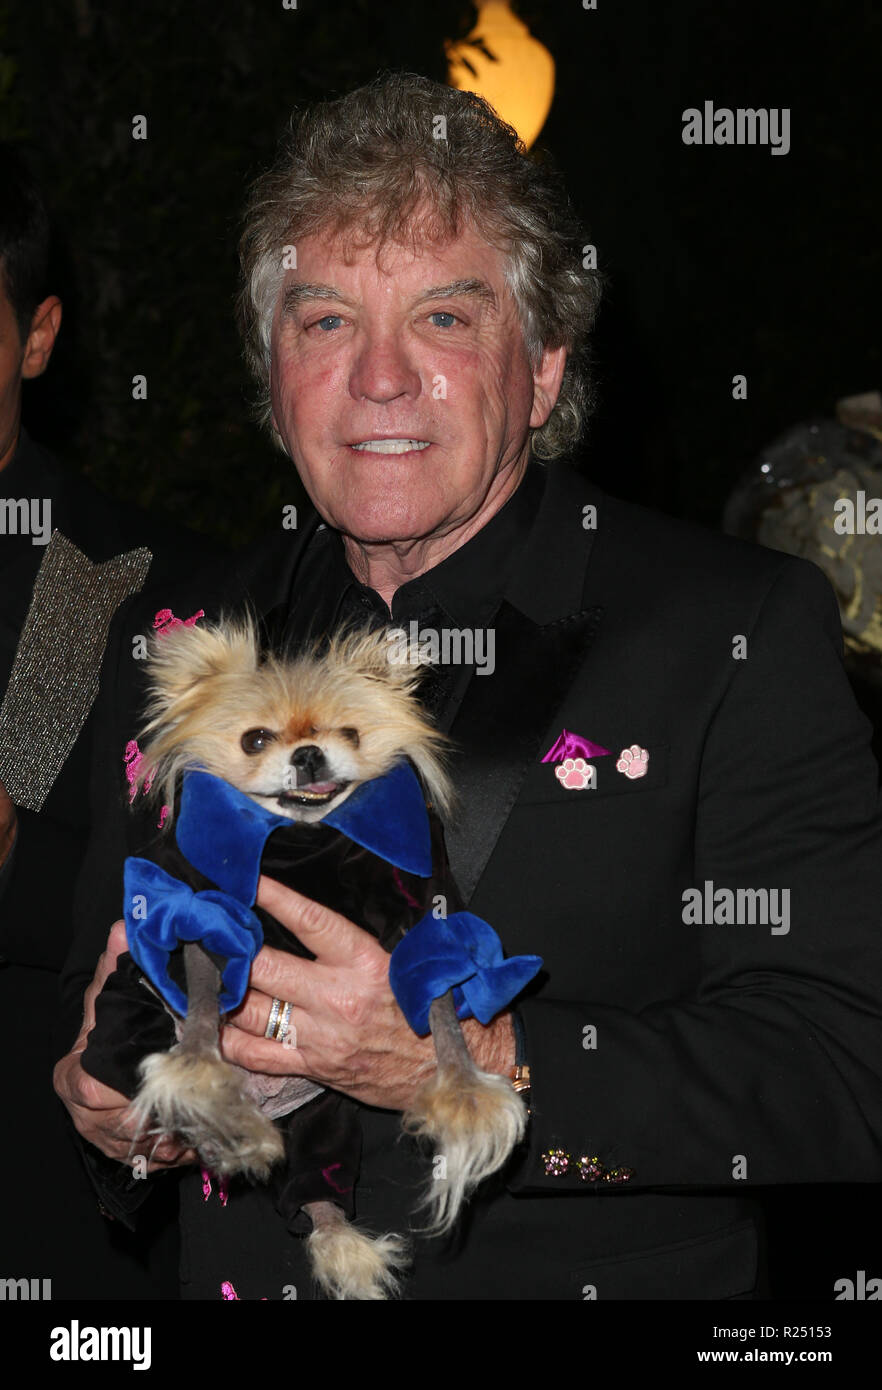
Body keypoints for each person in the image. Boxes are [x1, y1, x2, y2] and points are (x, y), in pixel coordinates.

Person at [55, 73, 882, 1301]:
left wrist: (480, 1059)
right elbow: (98, 1003)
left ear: (543, 369)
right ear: (272, 378)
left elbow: (844, 1068)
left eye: (446, 318)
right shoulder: (183, 631)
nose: (380, 379)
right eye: (325, 320)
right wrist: (117, 1116)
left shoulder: (730, 626)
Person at [0, 145, 217, 1297]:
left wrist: (16, 852)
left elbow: (186, 903)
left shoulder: (108, 579)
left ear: (35, 338)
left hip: (53, 1215)